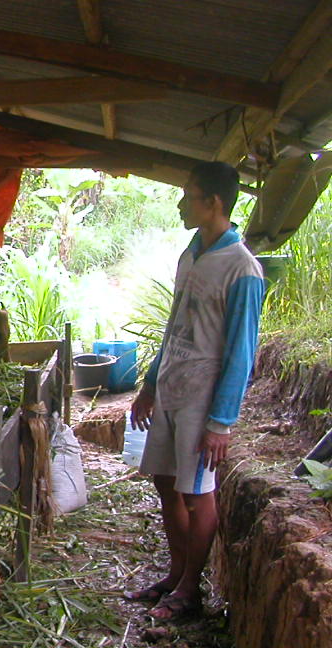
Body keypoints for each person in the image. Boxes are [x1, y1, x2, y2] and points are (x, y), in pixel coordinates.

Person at [124, 161, 265, 621]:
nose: (181, 203)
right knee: (166, 481)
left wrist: (221, 422)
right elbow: (173, 325)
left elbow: (241, 352)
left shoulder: (242, 268)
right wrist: (148, 384)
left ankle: (190, 592)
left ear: (214, 203)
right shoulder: (191, 253)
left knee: (197, 492)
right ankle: (176, 573)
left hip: (203, 393)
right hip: (171, 384)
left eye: (189, 195)